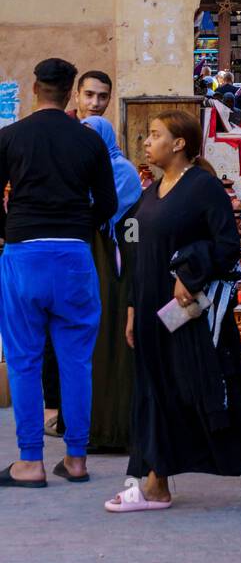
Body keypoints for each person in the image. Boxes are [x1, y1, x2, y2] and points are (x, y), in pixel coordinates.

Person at [105, 110, 241, 512]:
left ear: (179, 143)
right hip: (153, 311)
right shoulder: (152, 192)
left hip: (192, 313)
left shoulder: (203, 188)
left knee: (207, 387)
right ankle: (156, 484)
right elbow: (139, 254)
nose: (146, 142)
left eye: (155, 135)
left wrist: (190, 270)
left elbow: (226, 245)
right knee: (156, 391)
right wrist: (133, 307)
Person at [0, 58, 116, 488]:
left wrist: (11, 230)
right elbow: (105, 203)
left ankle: (30, 461)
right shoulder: (89, 142)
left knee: (24, 361)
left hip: (24, 254)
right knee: (76, 361)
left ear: (35, 89)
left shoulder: (10, 137)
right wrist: (76, 227)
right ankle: (77, 458)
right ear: (71, 92)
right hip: (73, 257)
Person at [79, 116, 142, 452]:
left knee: (114, 343)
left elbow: (116, 219)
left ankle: (117, 428)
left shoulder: (122, 172)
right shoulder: (88, 173)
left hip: (117, 268)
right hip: (92, 263)